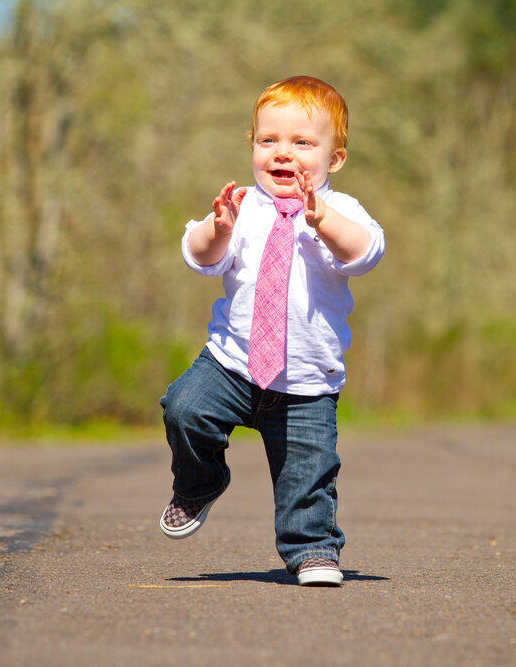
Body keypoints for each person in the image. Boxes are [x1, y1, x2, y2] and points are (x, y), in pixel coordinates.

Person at [158, 75, 384, 586]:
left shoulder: (341, 211)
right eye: (269, 141)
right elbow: (197, 257)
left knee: (308, 474)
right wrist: (215, 231)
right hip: (233, 364)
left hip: (305, 379)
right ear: (253, 147)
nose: (283, 153)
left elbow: (364, 252)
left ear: (335, 158)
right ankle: (200, 482)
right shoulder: (241, 206)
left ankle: (313, 550)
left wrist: (321, 218)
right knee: (184, 407)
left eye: (302, 143)